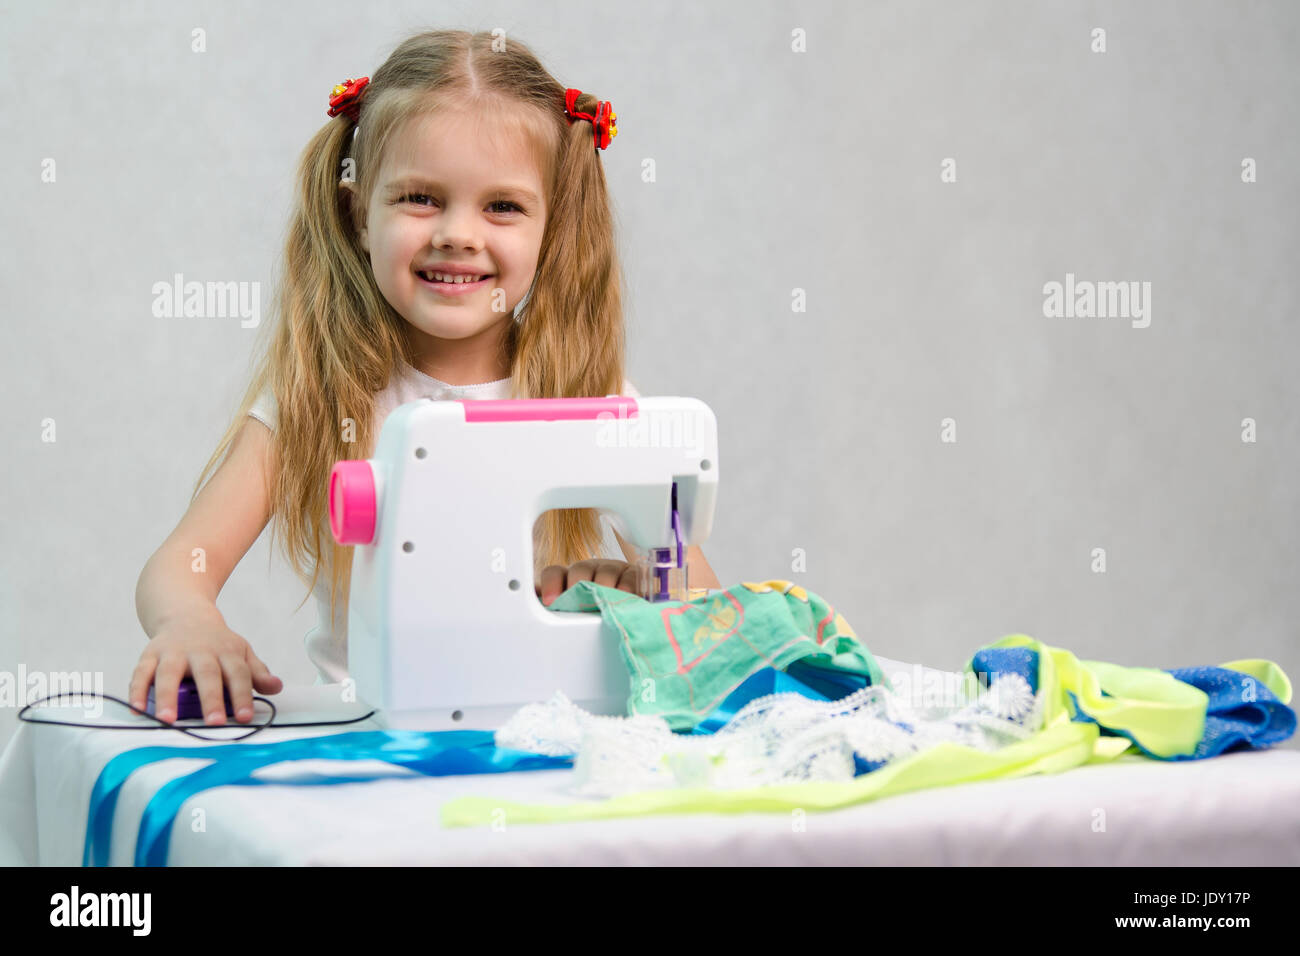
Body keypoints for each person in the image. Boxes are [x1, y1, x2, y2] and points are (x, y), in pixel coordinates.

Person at [131, 29, 720, 727]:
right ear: (358, 215)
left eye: (502, 206)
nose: (458, 235)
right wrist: (190, 622)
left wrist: (633, 597)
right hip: (375, 740)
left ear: (551, 230)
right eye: (420, 198)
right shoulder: (322, 396)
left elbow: (705, 612)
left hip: (545, 744)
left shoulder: (591, 398)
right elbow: (178, 565)